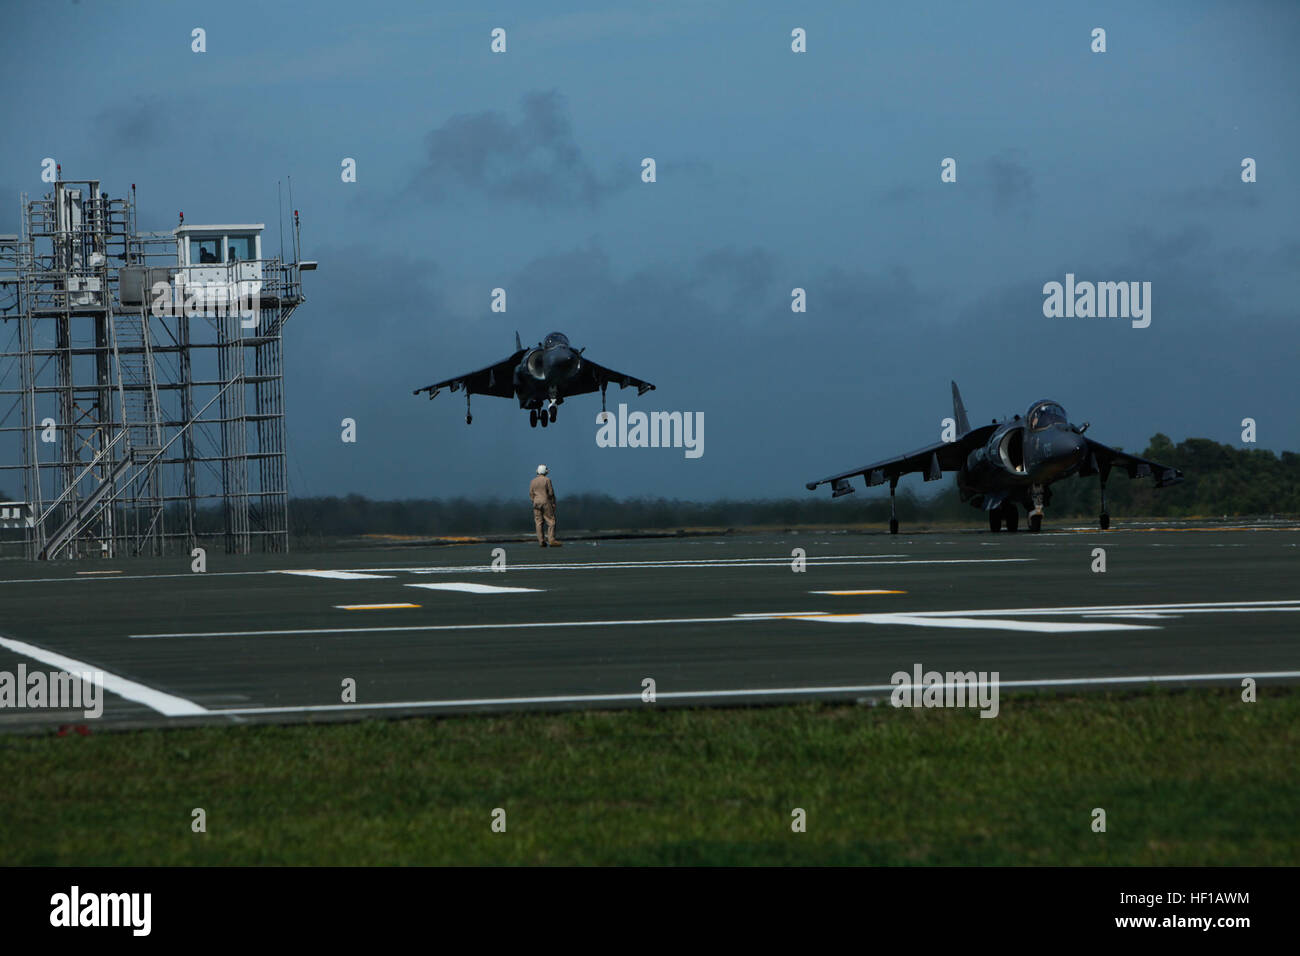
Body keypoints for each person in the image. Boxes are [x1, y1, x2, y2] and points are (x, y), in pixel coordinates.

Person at [529, 464, 560, 547]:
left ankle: (541, 541)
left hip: (536, 502)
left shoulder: (533, 481)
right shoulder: (547, 480)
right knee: (551, 521)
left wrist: (534, 501)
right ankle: (551, 540)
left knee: (538, 522)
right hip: (545, 501)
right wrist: (553, 503)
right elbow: (551, 493)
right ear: (545, 471)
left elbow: (531, 494)